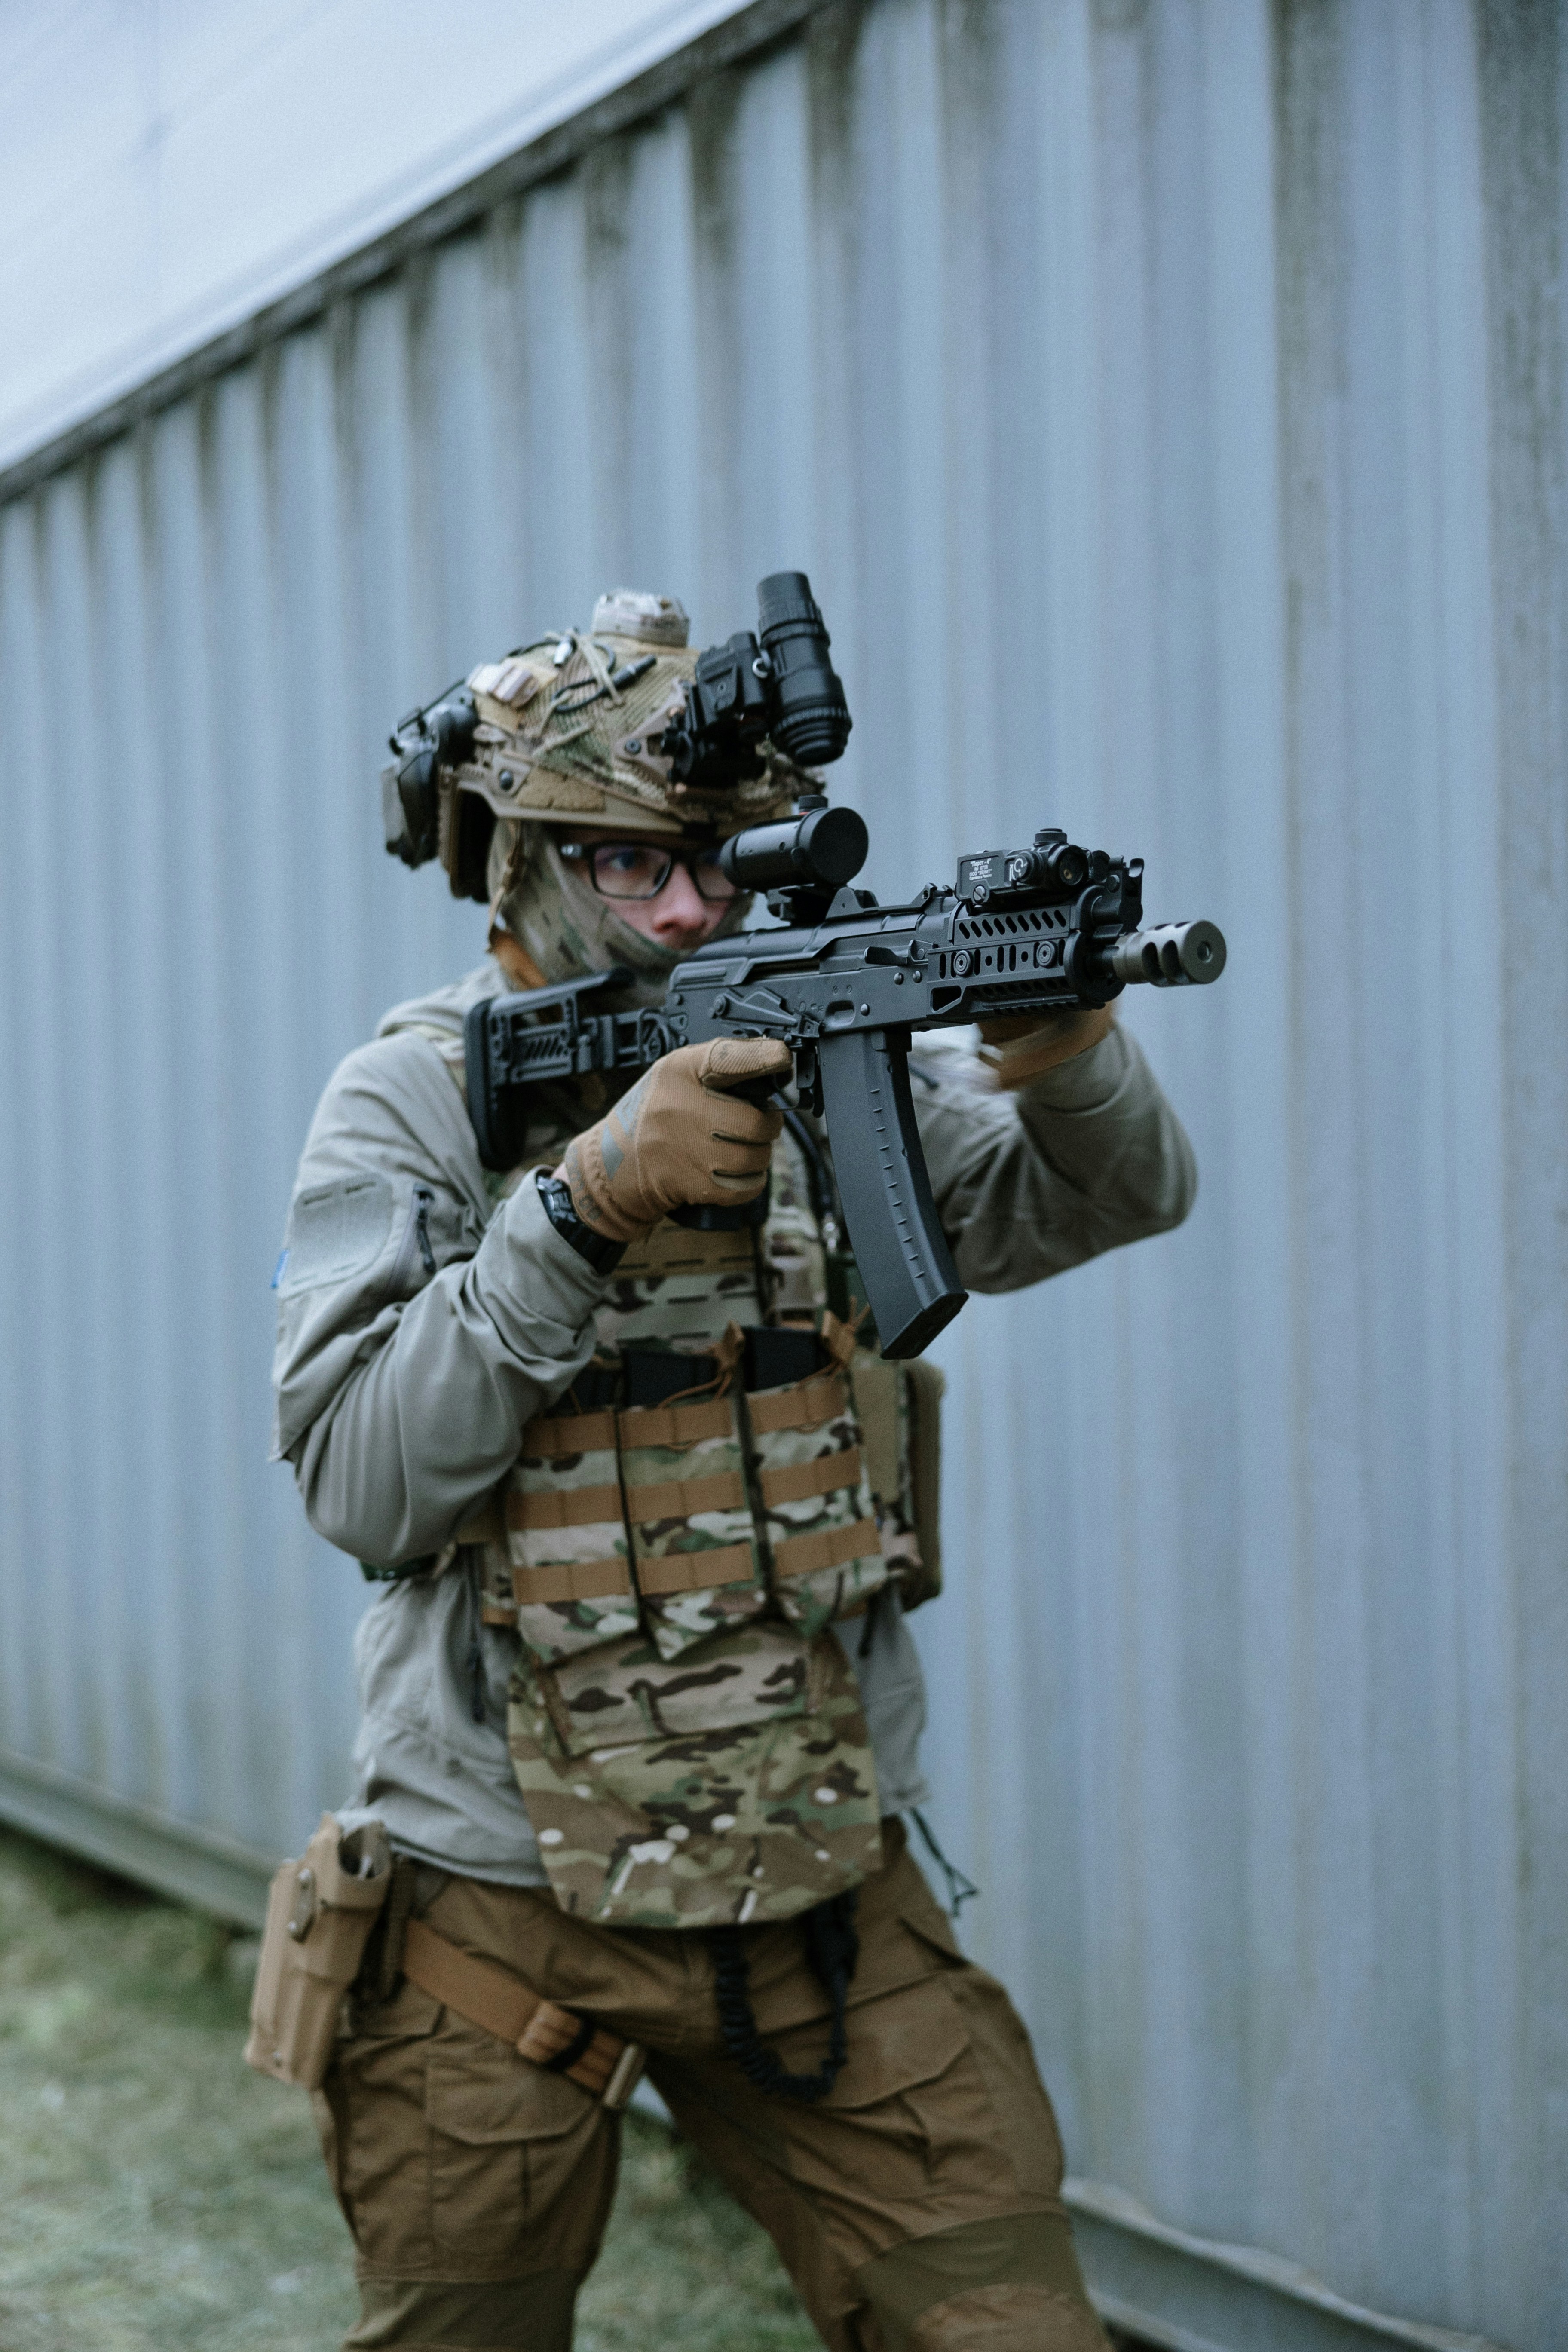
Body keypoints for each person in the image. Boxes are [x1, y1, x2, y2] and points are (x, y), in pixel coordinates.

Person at [272, 588, 1197, 2352]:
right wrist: (576, 1212)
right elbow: (361, 1483)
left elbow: (1103, 1196)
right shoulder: (404, 1103)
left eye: (713, 859)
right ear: (518, 859)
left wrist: (1063, 1048)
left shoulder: (812, 1041)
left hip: (819, 1873)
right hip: (501, 1901)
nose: (690, 906)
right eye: (629, 864)